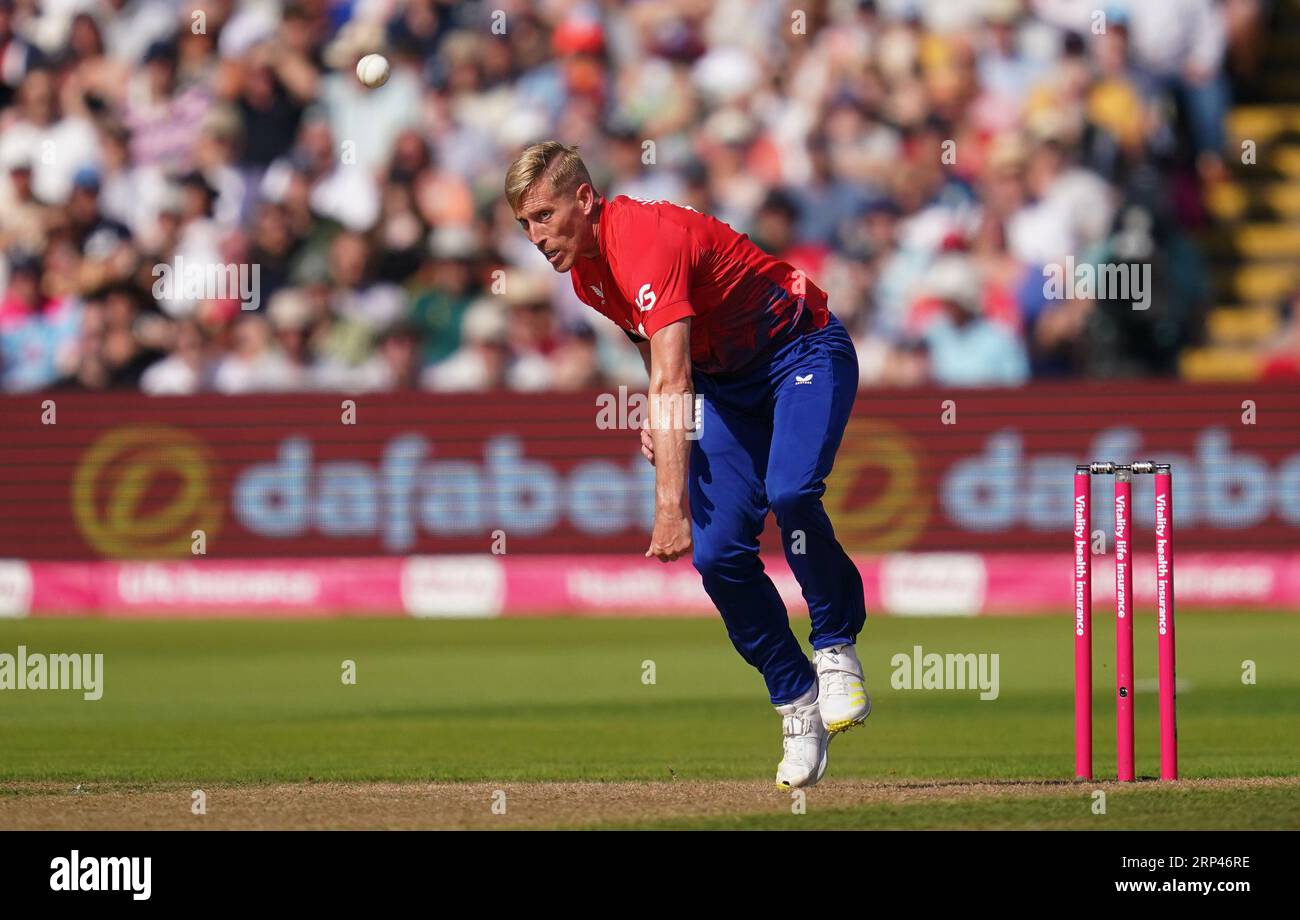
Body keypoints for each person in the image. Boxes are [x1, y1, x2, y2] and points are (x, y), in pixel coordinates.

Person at [504, 141, 870, 788]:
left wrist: (668, 506)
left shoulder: (643, 237)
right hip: (727, 389)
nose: (535, 237)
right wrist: (661, 417)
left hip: (801, 352)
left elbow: (672, 383)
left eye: (543, 216)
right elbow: (658, 355)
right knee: (719, 557)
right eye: (524, 225)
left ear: (585, 200)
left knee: (790, 493)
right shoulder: (585, 275)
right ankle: (796, 701)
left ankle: (836, 646)